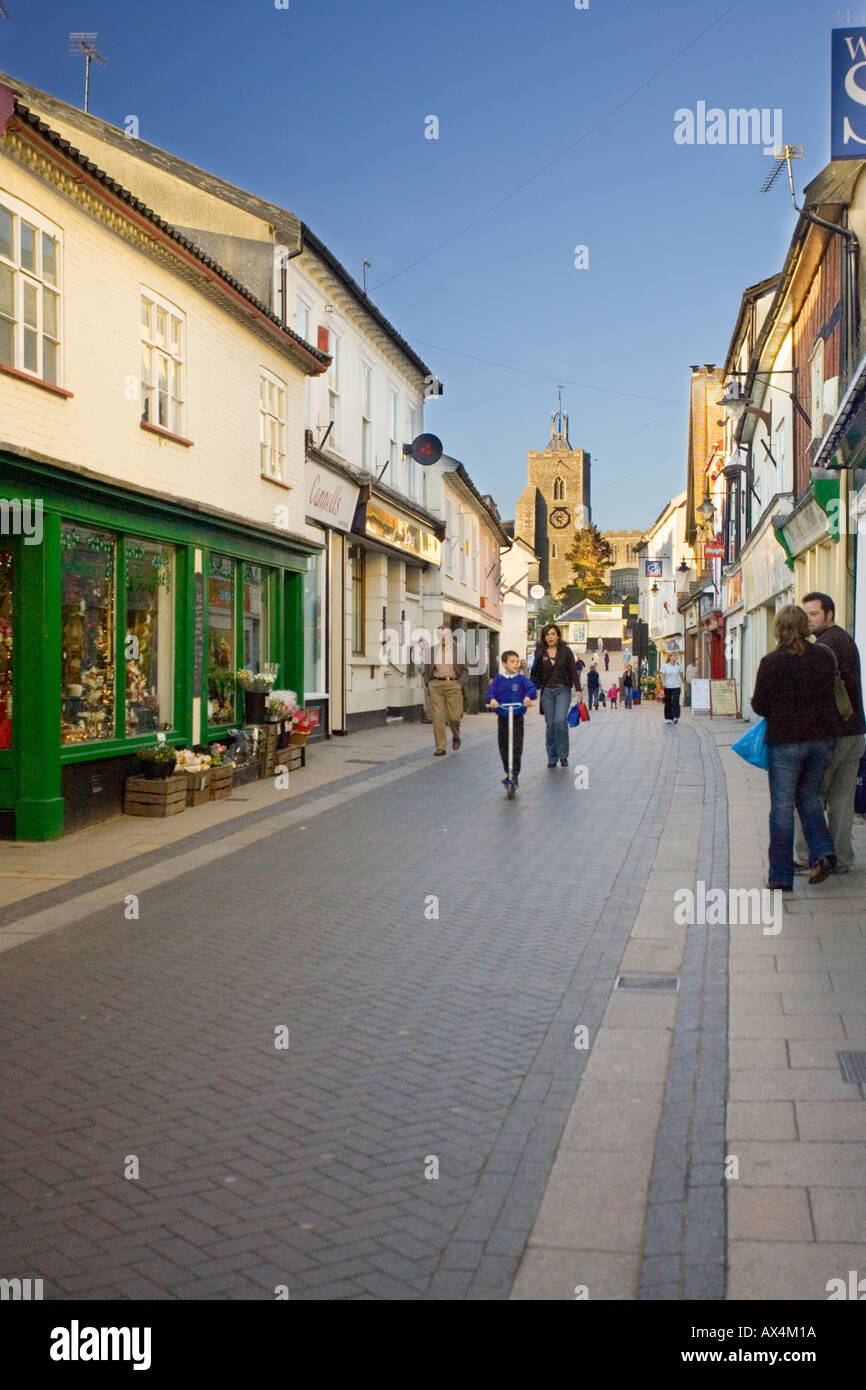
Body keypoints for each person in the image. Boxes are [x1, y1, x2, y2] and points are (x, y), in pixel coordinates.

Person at [751, 605, 838, 890]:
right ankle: (823, 852)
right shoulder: (824, 657)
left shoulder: (771, 662)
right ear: (804, 627)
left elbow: (759, 705)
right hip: (821, 741)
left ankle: (780, 876)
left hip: (786, 742)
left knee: (782, 808)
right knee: (810, 797)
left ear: (778, 629)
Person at [792, 592, 866, 874]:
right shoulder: (846, 640)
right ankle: (842, 859)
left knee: (808, 795)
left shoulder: (823, 648)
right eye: (806, 614)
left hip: (831, 735)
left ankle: (806, 856)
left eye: (814, 614)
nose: (808, 620)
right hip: (855, 732)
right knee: (842, 801)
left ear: (829, 614)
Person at [530, 623, 582, 768]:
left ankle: (563, 755)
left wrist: (578, 689)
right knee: (550, 724)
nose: (550, 637)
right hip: (547, 691)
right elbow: (535, 672)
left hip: (563, 690)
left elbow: (573, 671)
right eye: (547, 635)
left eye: (553, 634)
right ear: (544, 637)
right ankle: (552, 757)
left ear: (558, 636)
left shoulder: (566, 651)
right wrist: (529, 691)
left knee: (560, 721)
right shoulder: (540, 652)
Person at [486, 651, 537, 787]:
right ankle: (507, 771)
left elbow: (531, 689)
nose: (516, 664)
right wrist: (492, 700)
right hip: (503, 717)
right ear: (504, 664)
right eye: (512, 661)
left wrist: (527, 697)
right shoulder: (498, 680)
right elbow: (490, 693)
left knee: (516, 746)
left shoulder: (521, 679)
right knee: (503, 745)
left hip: (517, 716)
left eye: (517, 661)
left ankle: (514, 774)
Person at [421, 627, 467, 756]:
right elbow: (426, 669)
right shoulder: (431, 651)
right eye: (440, 636)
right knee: (438, 717)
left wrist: (460, 684)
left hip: (453, 684)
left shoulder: (459, 650)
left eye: (445, 636)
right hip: (436, 685)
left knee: (454, 716)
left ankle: (456, 735)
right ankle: (441, 747)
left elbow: (465, 670)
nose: (442, 638)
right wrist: (428, 683)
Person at [659, 655, 683, 723]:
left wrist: (685, 684)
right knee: (668, 702)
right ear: (670, 657)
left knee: (676, 701)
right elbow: (662, 674)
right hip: (668, 686)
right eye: (674, 656)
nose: (675, 657)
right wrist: (663, 682)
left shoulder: (678, 666)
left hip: (676, 686)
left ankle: (675, 716)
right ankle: (669, 716)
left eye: (676, 656)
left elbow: (681, 676)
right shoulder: (665, 666)